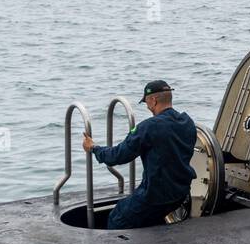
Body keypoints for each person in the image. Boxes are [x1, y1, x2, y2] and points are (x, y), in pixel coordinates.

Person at [83, 80, 197, 229]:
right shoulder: (187, 122)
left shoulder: (148, 127)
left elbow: (118, 156)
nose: (148, 107)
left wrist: (93, 148)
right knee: (150, 216)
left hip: (155, 197)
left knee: (117, 217)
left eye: (147, 103)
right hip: (181, 193)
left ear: (153, 100)